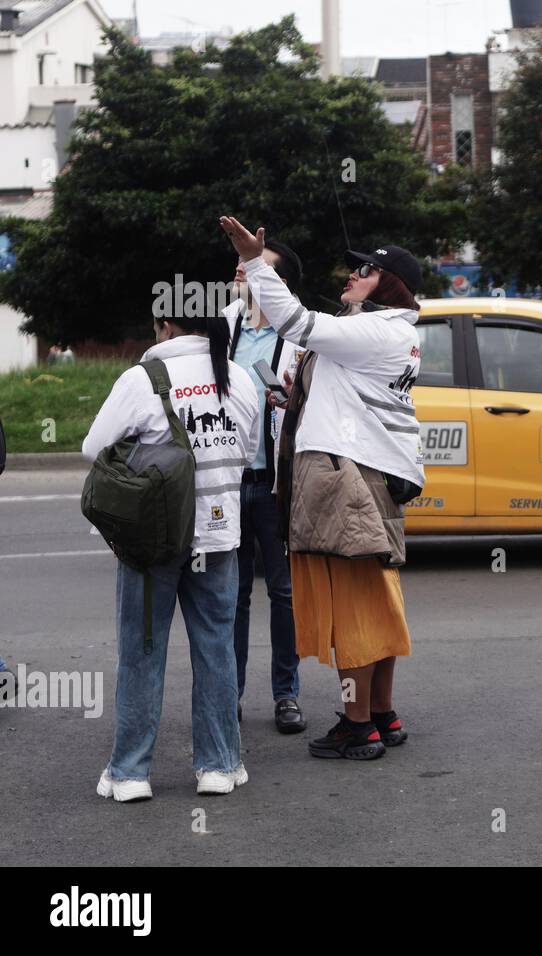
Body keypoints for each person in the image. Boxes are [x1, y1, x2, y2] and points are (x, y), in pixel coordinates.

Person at [220, 215, 424, 762]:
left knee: (353, 608)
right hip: (369, 475)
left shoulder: (376, 329)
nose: (352, 275)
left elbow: (292, 320)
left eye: (367, 270)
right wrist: (295, 398)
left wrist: (256, 262)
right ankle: (381, 713)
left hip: (346, 477)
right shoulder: (392, 333)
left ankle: (358, 728)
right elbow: (352, 396)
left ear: (390, 284)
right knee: (378, 603)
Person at [83, 293, 260, 801]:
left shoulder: (143, 380)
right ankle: (219, 767)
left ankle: (131, 773)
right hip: (219, 536)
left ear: (164, 323)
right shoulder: (239, 376)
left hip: (151, 541)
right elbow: (246, 452)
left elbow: (93, 447)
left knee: (141, 653)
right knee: (215, 651)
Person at [224, 239, 306, 733]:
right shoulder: (226, 325)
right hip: (230, 482)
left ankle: (286, 694)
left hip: (277, 484)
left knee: (284, 593)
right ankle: (227, 693)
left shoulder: (301, 336)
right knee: (230, 595)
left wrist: (292, 404)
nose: (241, 268)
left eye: (255, 265)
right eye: (240, 261)